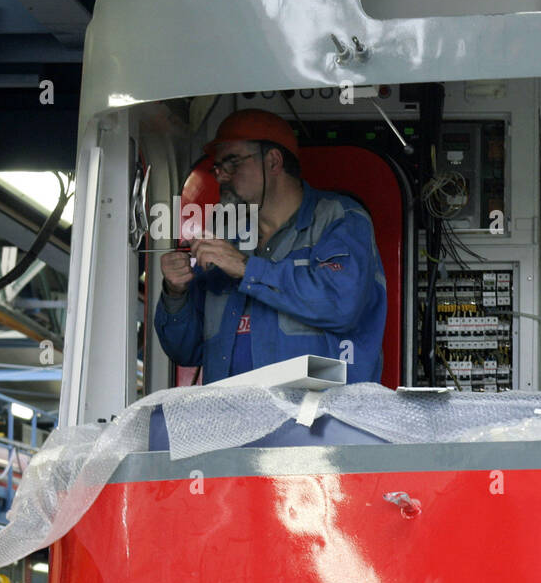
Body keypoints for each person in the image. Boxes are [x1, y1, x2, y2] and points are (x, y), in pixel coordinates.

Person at [154, 109, 386, 383]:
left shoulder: (339, 219)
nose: (221, 176)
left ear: (273, 161)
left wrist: (246, 268)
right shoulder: (225, 240)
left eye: (232, 163)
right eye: (217, 168)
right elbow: (185, 352)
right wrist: (175, 293)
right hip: (235, 421)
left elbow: (341, 306)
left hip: (321, 421)